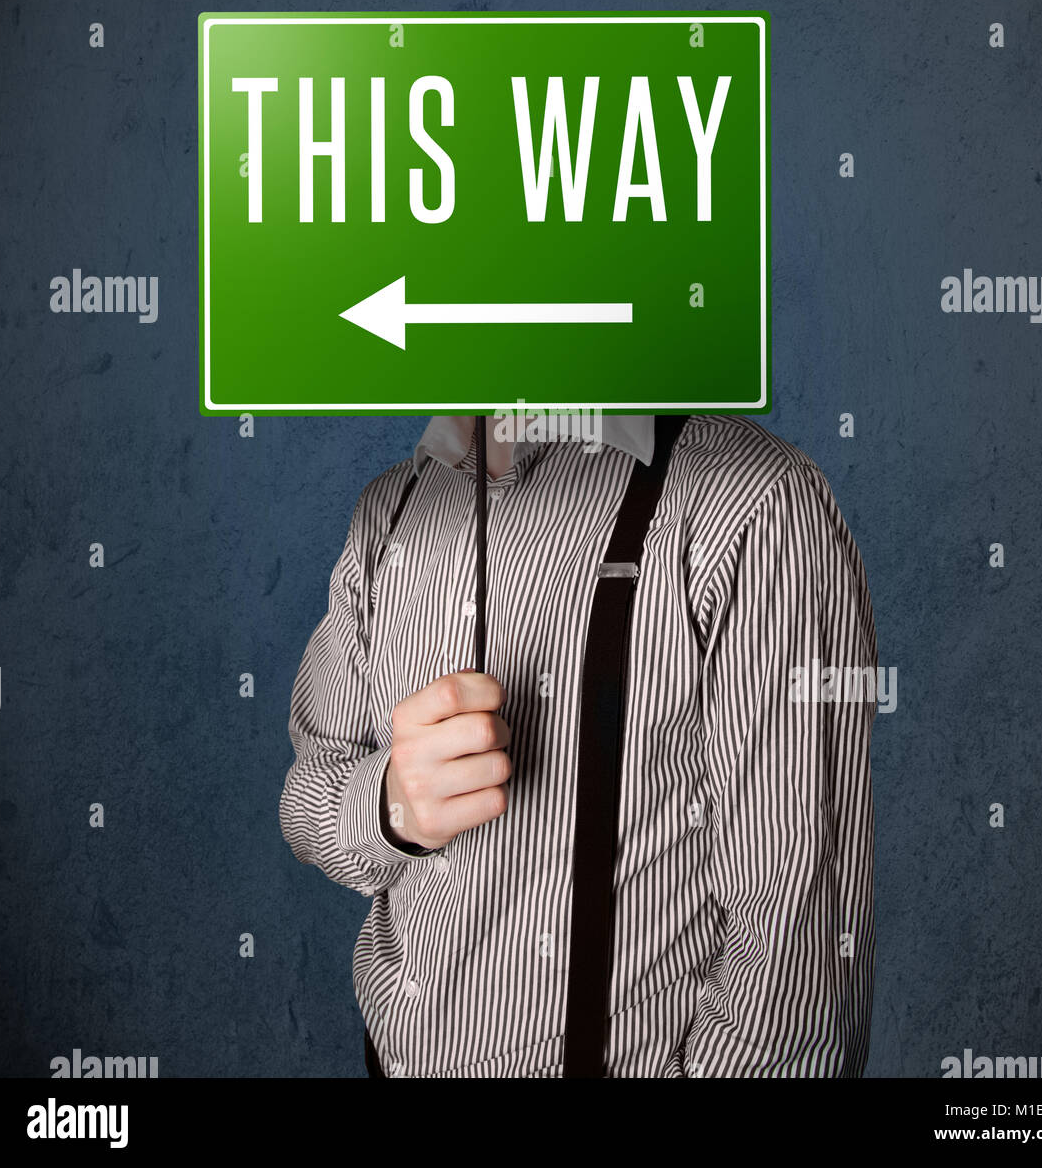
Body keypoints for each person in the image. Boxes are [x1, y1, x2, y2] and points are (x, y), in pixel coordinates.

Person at [278, 413, 878, 1078]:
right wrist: (392, 804)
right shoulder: (390, 512)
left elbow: (796, 942)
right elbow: (309, 797)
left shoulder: (750, 501)